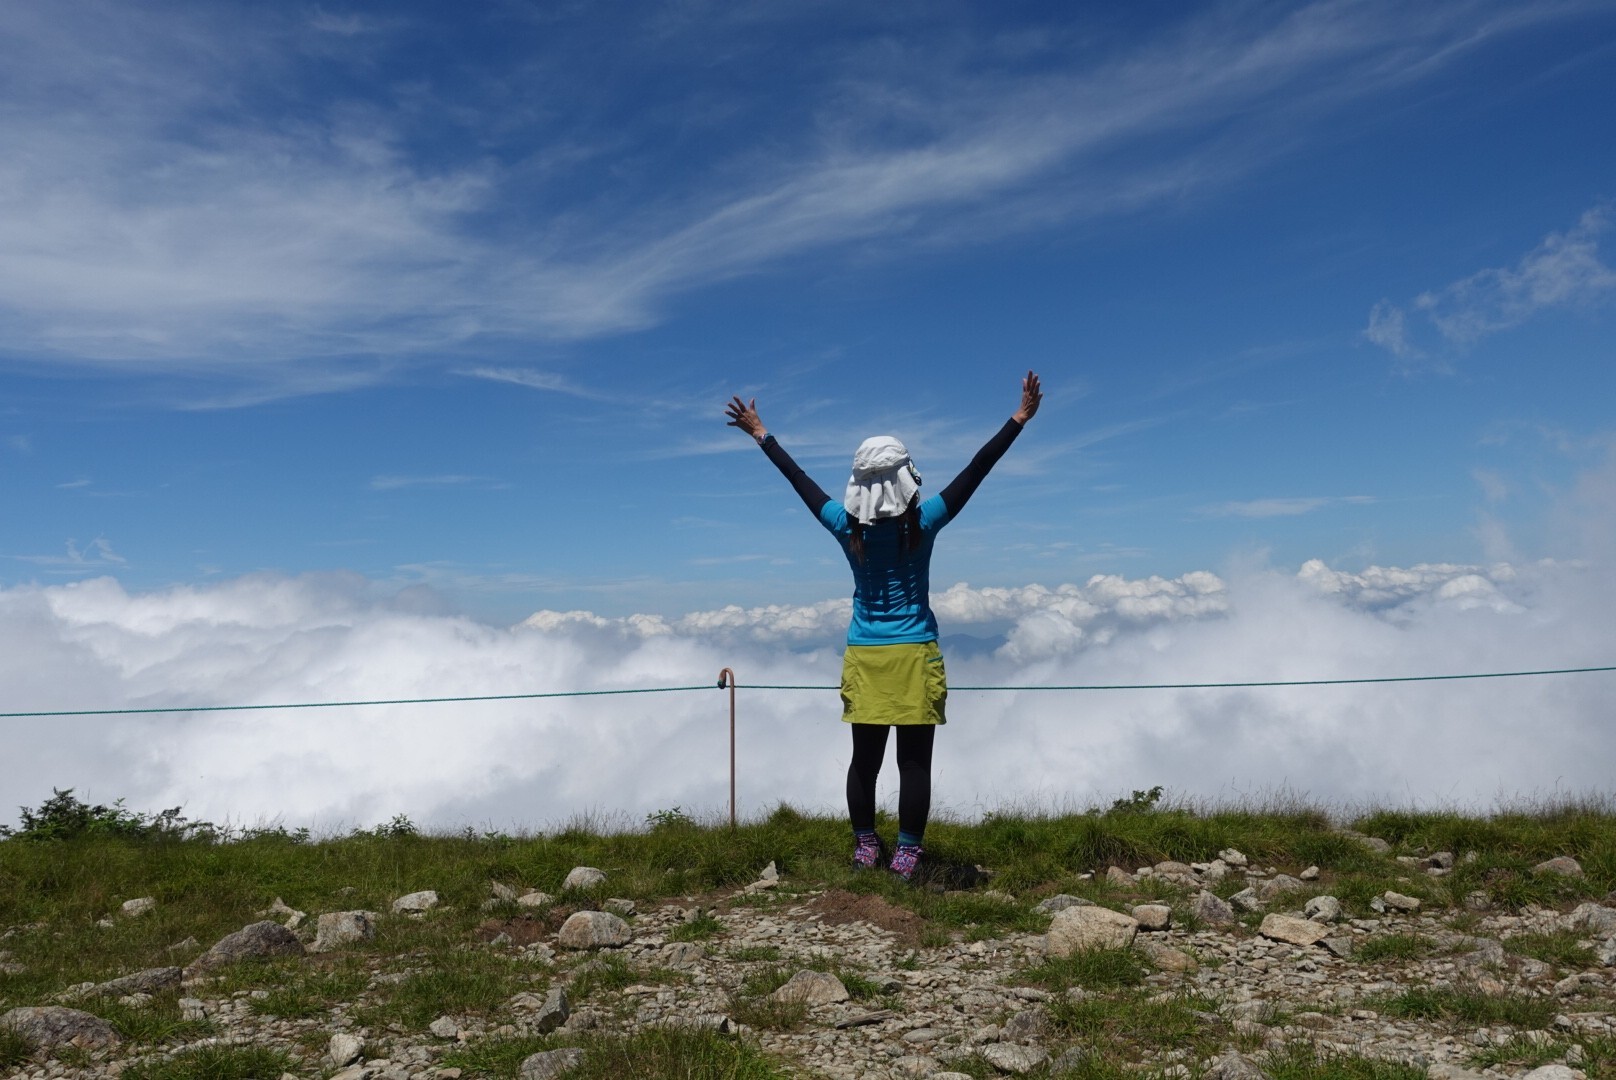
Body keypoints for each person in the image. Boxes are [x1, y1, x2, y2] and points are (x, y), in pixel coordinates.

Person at [723, 372, 1043, 881]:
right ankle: (908, 855)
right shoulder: (927, 520)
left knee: (864, 762)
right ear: (906, 477)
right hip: (915, 654)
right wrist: (1019, 419)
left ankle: (865, 846)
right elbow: (978, 467)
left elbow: (798, 478)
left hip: (865, 655)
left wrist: (761, 432)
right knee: (913, 765)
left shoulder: (843, 526)